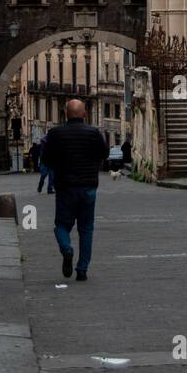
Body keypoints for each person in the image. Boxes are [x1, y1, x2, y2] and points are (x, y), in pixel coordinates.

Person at [42, 98, 107, 282]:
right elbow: (104, 154)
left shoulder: (55, 134)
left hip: (65, 187)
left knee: (62, 225)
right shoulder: (93, 133)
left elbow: (46, 160)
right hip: (88, 188)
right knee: (86, 230)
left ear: (65, 114)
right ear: (84, 114)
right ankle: (82, 269)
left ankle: (66, 248)